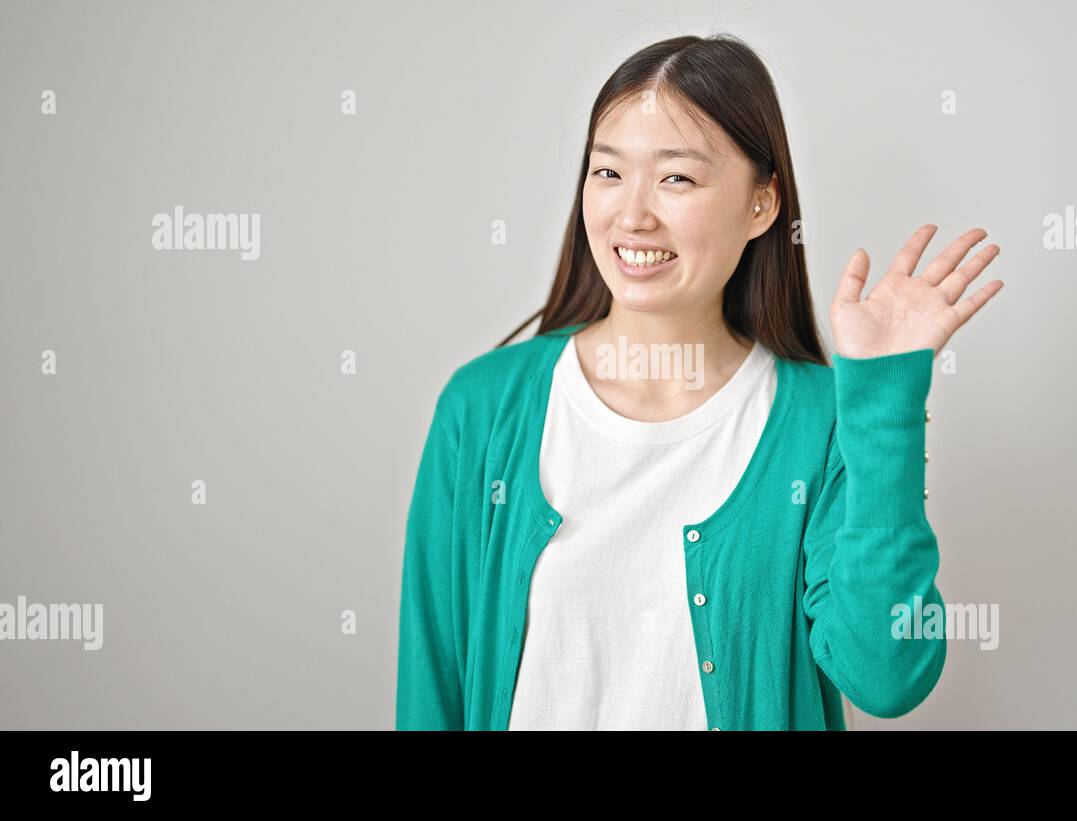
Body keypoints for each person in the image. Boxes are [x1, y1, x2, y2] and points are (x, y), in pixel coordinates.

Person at [396, 32, 1003, 731]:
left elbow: (886, 675)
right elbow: (431, 689)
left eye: (676, 177)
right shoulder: (481, 408)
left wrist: (883, 399)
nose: (632, 215)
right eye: (608, 172)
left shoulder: (819, 420)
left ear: (761, 204)